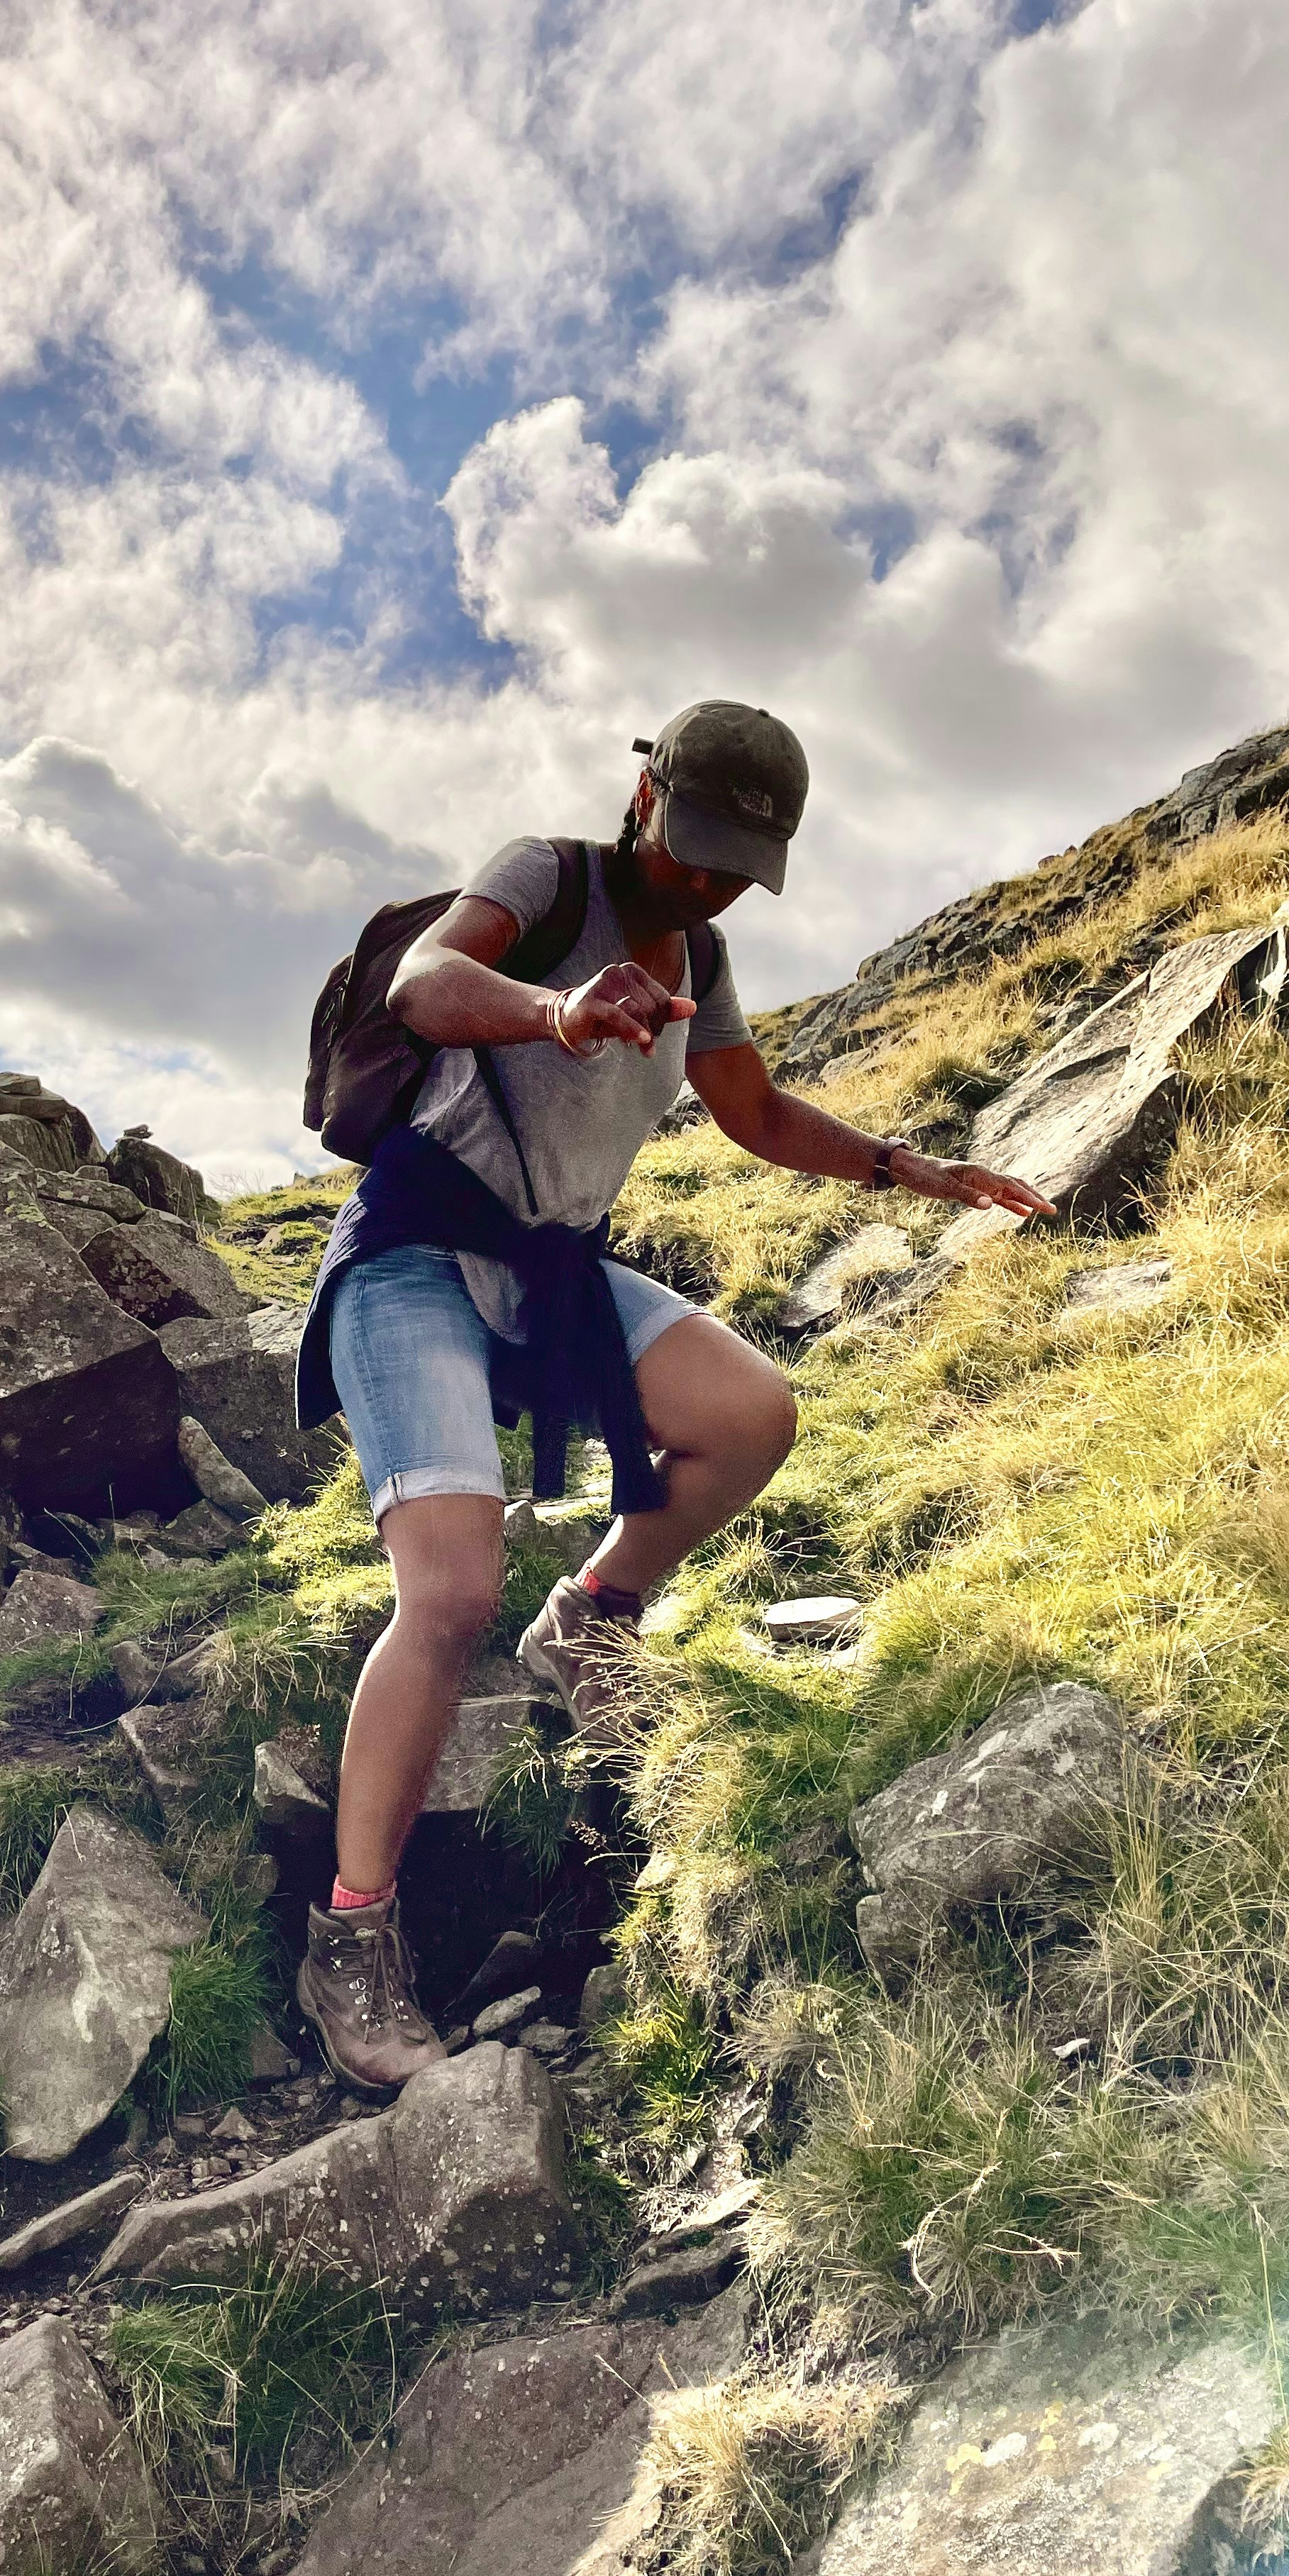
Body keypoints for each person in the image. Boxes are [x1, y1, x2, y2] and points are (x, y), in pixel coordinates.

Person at [291, 701, 1054, 2092]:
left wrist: (912, 1169)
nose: (703, 882)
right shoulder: (550, 876)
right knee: (448, 1592)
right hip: (414, 1251)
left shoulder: (700, 952)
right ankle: (353, 1938)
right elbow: (424, 985)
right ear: (647, 795)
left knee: (752, 1413)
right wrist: (556, 1008)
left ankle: (590, 1622)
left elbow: (755, 1115)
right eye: (693, 844)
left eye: (735, 865)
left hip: (554, 1272)